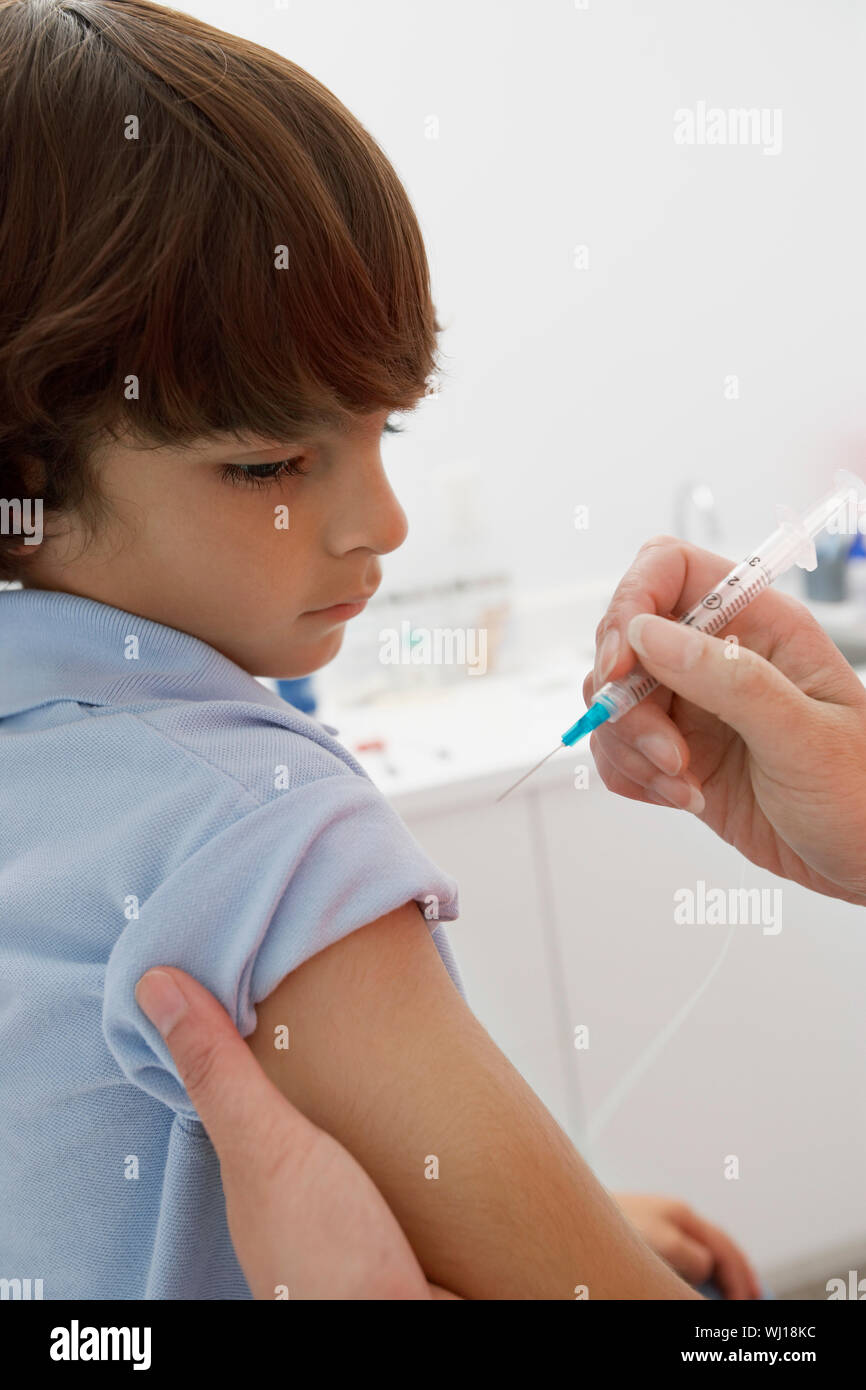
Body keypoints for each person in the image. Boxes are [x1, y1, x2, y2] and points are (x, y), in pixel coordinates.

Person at [0, 0, 762, 1301]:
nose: (382, 524)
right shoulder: (247, 829)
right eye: (270, 463)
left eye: (383, 431)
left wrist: (527, 1215)